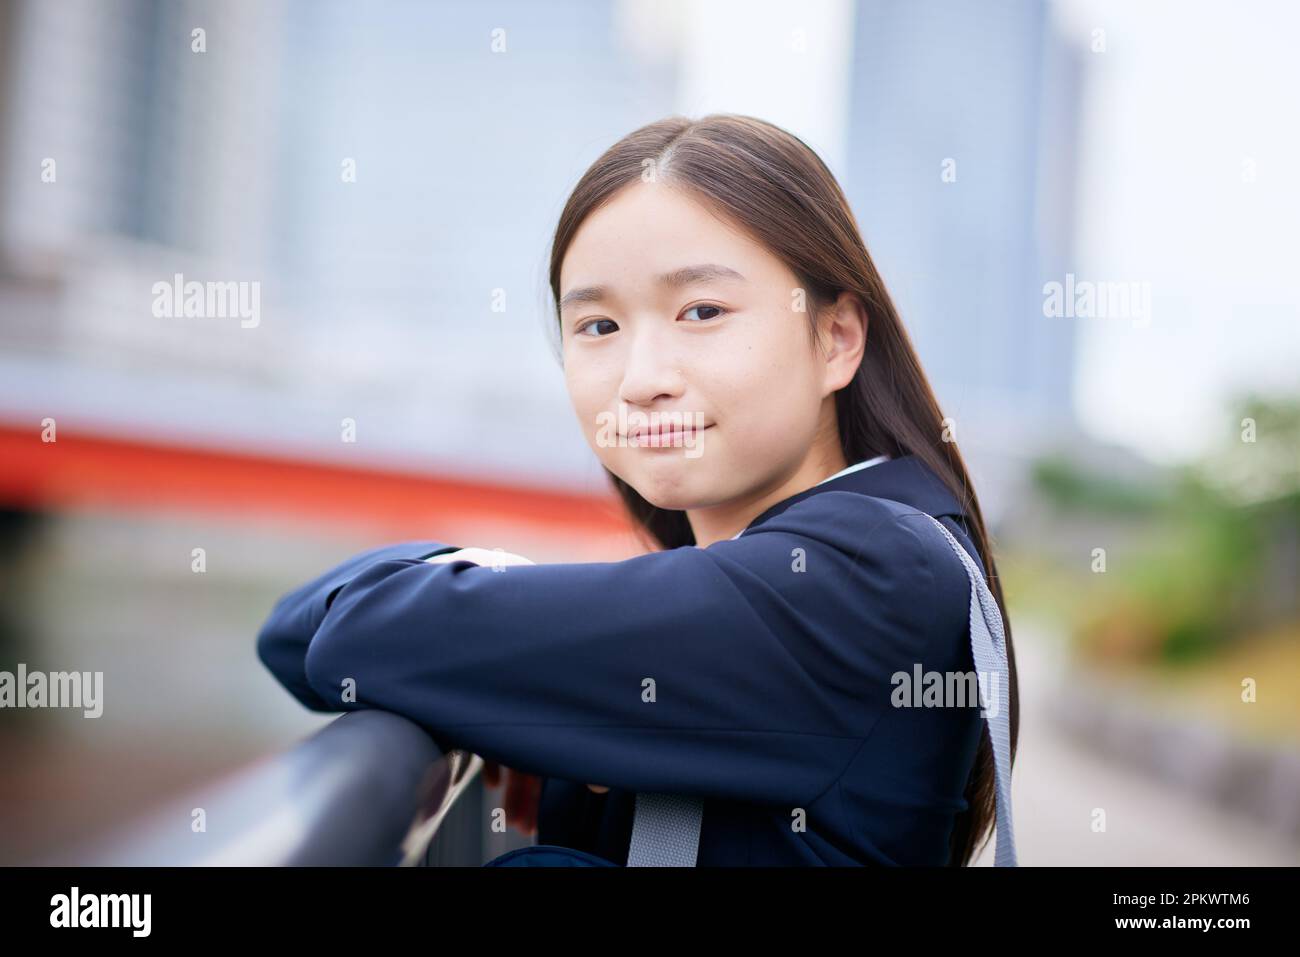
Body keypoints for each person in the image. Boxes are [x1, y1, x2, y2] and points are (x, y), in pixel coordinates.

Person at [256, 113, 1019, 866]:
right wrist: (498, 596)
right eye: (597, 326)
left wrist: (493, 635)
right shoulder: (817, 562)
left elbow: (352, 636)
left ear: (836, 338)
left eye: (702, 311)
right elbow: (295, 638)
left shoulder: (866, 576)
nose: (642, 378)